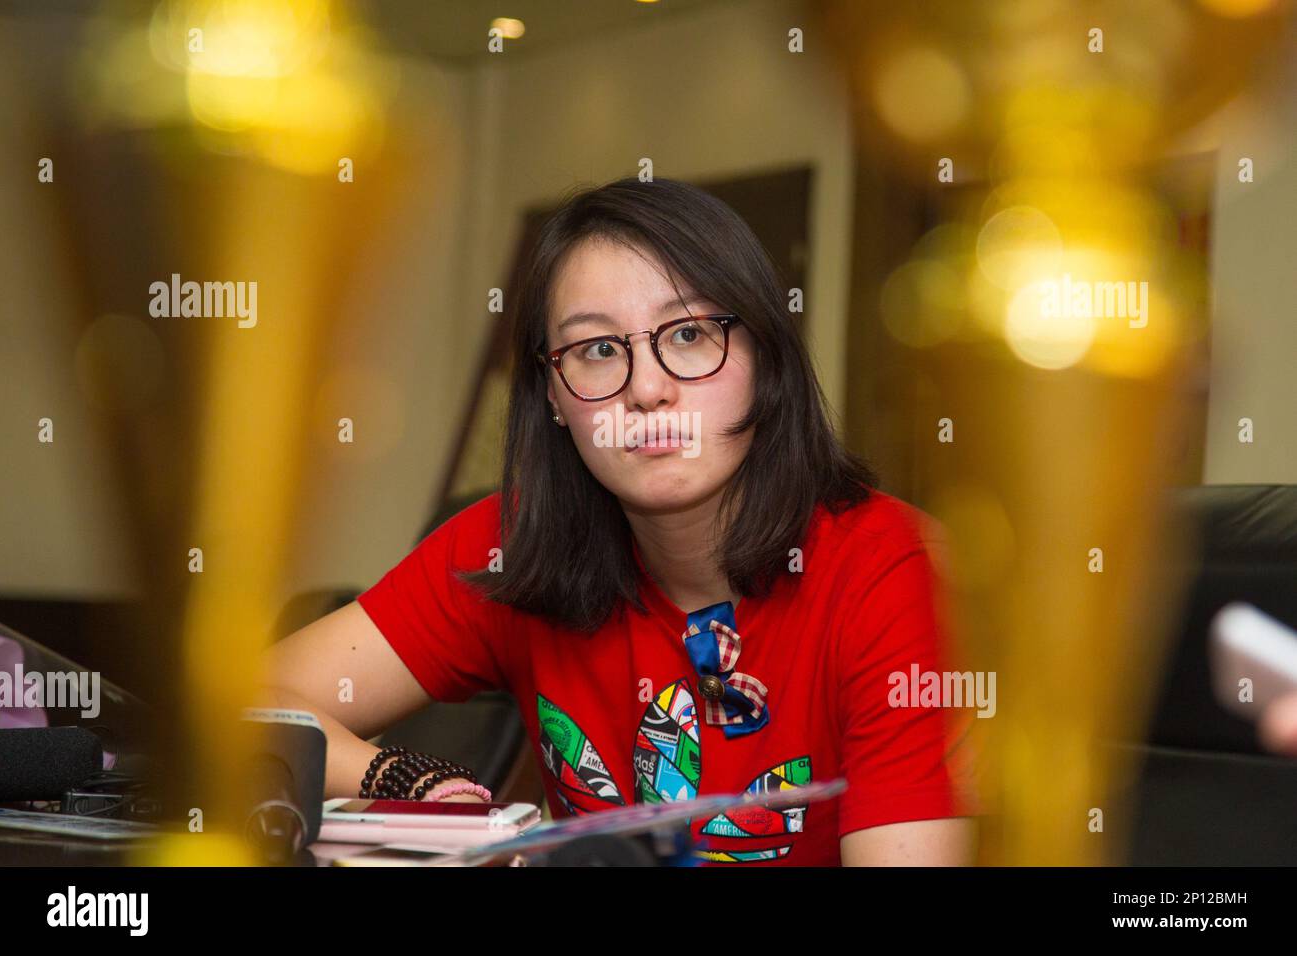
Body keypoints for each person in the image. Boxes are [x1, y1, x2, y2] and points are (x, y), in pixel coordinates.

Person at [263, 177, 976, 865]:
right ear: (552, 394)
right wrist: (403, 780)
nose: (647, 389)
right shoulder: (515, 543)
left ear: (767, 360)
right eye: (599, 350)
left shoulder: (893, 574)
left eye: (691, 334)